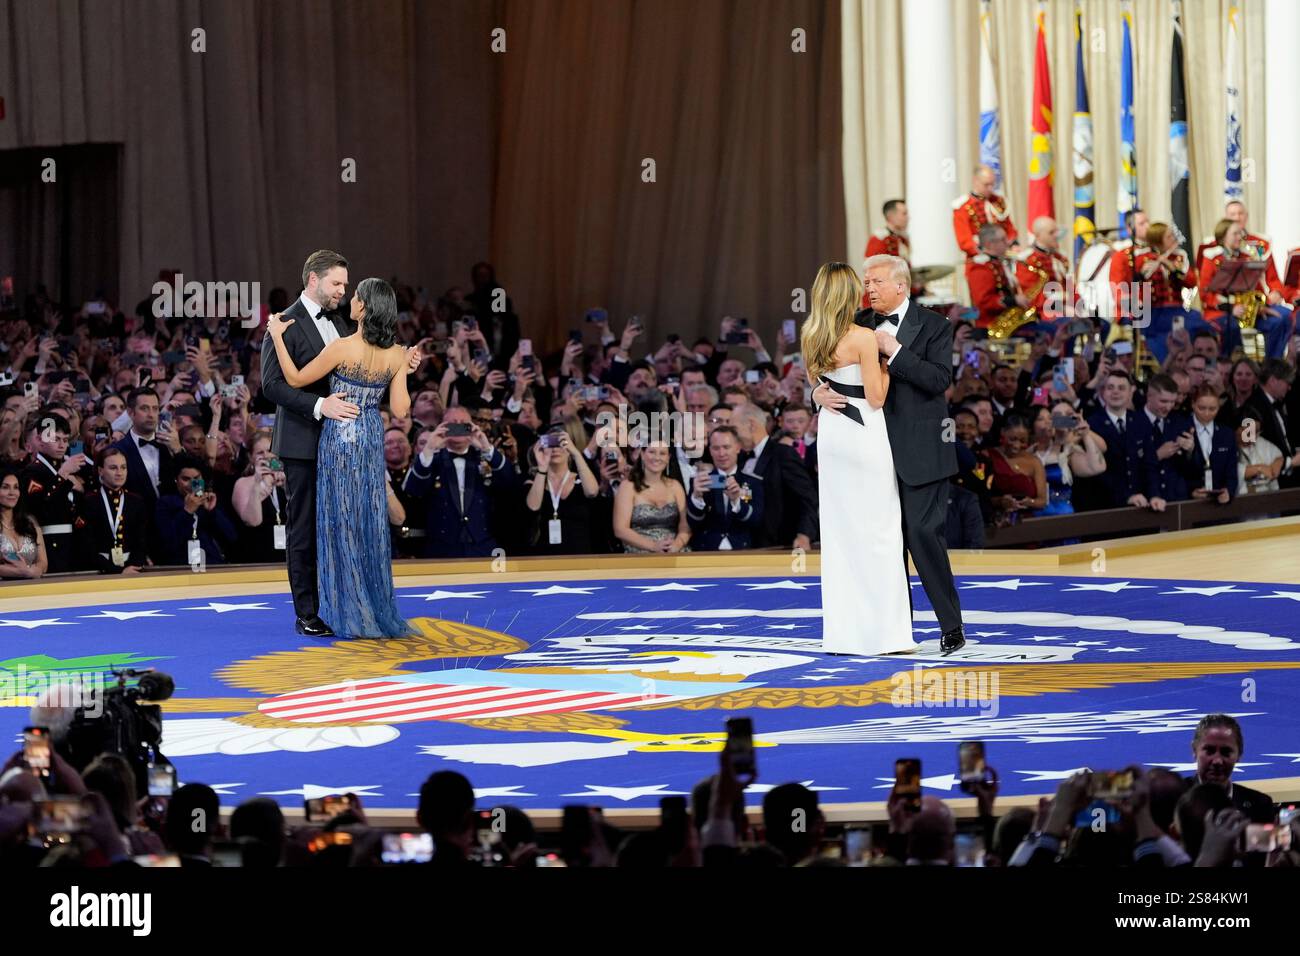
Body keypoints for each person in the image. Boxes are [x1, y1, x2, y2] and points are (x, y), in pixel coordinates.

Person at [812, 256, 965, 654]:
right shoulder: (856, 321)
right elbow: (825, 367)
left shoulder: (935, 325)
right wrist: (815, 393)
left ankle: (951, 626)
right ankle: (893, 631)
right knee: (879, 543)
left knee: (920, 535)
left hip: (921, 452)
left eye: (877, 281)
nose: (869, 288)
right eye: (865, 281)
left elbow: (939, 381)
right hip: (868, 450)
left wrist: (894, 351)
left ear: (902, 285)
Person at [266, 276, 416, 639]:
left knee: (338, 523)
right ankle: (370, 606)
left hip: (337, 439)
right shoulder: (396, 353)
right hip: (368, 439)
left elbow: (295, 378)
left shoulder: (342, 347)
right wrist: (406, 372)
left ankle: (345, 608)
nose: (349, 298)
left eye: (355, 296)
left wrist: (276, 338)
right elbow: (400, 410)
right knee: (366, 522)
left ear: (363, 308)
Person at [801, 261, 913, 656]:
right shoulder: (864, 337)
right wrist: (884, 366)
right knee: (881, 531)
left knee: (840, 535)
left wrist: (816, 394)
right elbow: (877, 397)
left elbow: (817, 385)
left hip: (832, 438)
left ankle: (844, 636)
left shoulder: (810, 334)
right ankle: (886, 636)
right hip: (865, 435)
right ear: (850, 294)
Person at [74, 447, 153, 574]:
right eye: (113, 468)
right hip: (100, 571)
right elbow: (86, 544)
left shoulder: (136, 501)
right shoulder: (89, 501)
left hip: (132, 570)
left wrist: (133, 565)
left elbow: (142, 540)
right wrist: (116, 570)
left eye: (123, 467)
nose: (119, 473)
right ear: (100, 470)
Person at [687, 426, 764, 551]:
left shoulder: (752, 482)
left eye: (726, 447)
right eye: (716, 448)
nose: (721, 453)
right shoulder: (700, 481)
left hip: (742, 551)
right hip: (706, 551)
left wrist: (737, 502)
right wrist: (697, 498)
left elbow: (755, 521)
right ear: (710, 450)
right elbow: (693, 523)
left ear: (738, 447)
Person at [523, 427, 600, 554]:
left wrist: (575, 453)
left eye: (560, 443)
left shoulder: (582, 481)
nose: (555, 449)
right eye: (550, 444)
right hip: (544, 557)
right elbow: (533, 506)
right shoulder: (535, 481)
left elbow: (592, 492)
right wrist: (542, 467)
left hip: (580, 556)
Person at [1029, 403, 1107, 515]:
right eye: (1041, 419)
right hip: (1032, 516)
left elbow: (1098, 466)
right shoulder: (1028, 453)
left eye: (1050, 418)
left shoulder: (1067, 451)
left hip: (1064, 514)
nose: (1048, 422)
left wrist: (1084, 432)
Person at [614, 441, 690, 554]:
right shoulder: (628, 487)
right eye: (652, 452)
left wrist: (676, 545)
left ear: (668, 458)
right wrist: (654, 546)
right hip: (639, 554)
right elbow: (620, 530)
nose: (657, 457)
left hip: (674, 552)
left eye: (662, 453)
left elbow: (685, 526)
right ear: (642, 454)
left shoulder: (675, 486)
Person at [0, 466, 48, 579]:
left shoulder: (30, 522)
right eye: (5, 487)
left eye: (16, 487)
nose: (12, 493)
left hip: (31, 590)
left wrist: (32, 572)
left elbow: (43, 563)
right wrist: (21, 572)